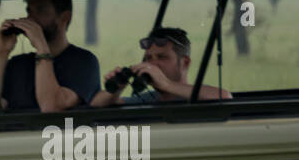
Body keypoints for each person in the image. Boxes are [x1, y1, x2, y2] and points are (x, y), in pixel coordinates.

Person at [0, 0, 100, 115]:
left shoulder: (84, 62)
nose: (31, 18)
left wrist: (41, 47)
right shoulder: (17, 64)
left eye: (41, 10)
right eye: (29, 11)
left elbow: (51, 107)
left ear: (64, 17)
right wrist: (1, 53)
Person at [90, 26, 231, 106]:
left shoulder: (199, 96)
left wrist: (166, 84)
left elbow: (224, 97)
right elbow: (96, 103)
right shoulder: (148, 99)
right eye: (148, 58)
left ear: (185, 62)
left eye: (162, 57)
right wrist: (116, 89)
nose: (152, 64)